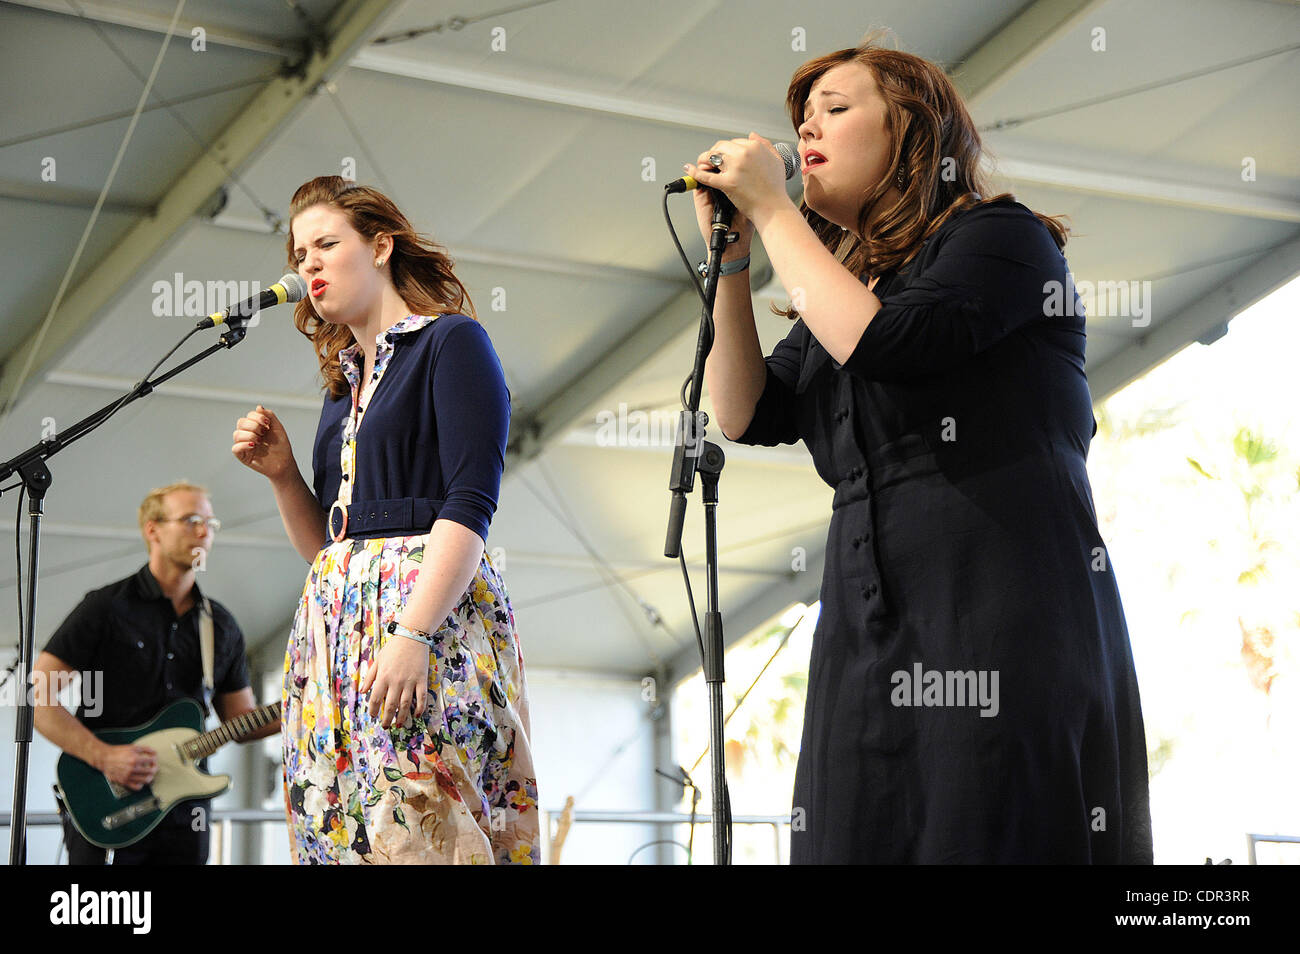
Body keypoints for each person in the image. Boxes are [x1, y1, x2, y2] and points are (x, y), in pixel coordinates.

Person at [687, 37, 1153, 863]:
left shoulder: (999, 239)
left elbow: (889, 344)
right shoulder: (843, 285)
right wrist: (730, 257)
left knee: (988, 823)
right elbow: (744, 409)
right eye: (801, 119)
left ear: (910, 130)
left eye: (834, 109)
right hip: (868, 621)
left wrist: (773, 210)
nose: (806, 134)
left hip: (997, 599)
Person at [232, 175, 538, 865]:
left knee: (427, 826)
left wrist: (413, 634)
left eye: (325, 244)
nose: (306, 262)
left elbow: (470, 502)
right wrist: (284, 477)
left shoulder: (450, 344)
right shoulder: (342, 383)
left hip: (421, 624)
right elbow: (330, 548)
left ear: (380, 245)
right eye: (298, 250)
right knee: (340, 833)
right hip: (336, 639)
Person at [32, 481, 276, 865]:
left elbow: (240, 720)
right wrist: (105, 757)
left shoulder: (221, 625)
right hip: (106, 797)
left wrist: (301, 709)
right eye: (192, 520)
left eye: (211, 524)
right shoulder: (105, 608)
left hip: (186, 804)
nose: (204, 532)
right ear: (153, 529)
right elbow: (40, 698)